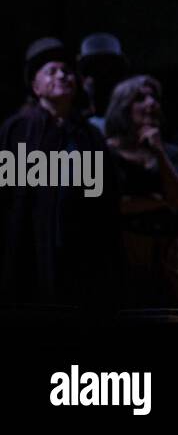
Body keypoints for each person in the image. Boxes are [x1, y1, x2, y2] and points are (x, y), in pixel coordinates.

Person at [0, 38, 120, 310]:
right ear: (35, 85)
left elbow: (104, 199)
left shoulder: (89, 136)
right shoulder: (17, 131)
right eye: (51, 71)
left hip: (80, 254)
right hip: (29, 252)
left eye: (66, 71)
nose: (62, 76)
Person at [103, 75, 178, 307]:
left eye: (154, 97)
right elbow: (112, 205)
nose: (151, 104)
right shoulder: (106, 152)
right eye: (140, 98)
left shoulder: (170, 152)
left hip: (167, 249)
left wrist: (159, 152)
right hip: (124, 248)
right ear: (123, 106)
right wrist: (158, 201)